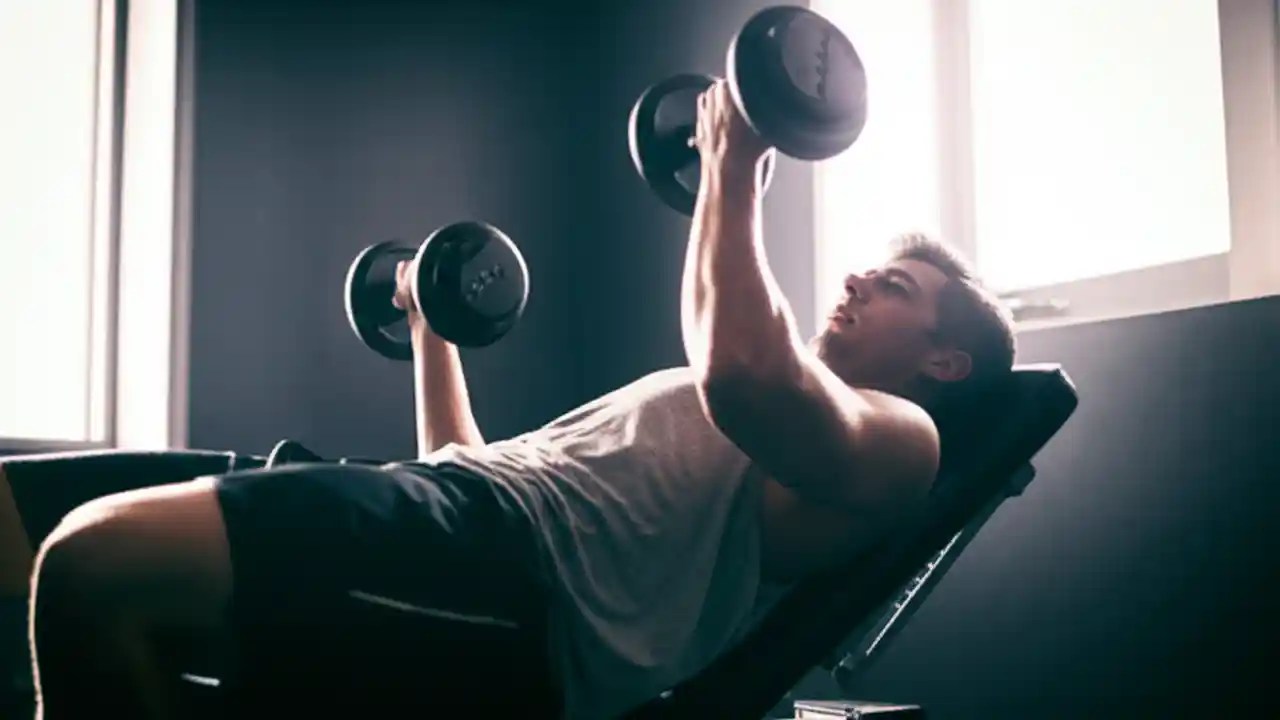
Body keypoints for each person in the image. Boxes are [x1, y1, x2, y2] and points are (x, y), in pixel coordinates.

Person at [25, 79, 1015, 720]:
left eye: (895, 289)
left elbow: (743, 375)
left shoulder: (902, 441)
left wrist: (733, 171)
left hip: (515, 594)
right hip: (465, 526)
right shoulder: (719, 404)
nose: (855, 281)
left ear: (943, 363)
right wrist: (430, 331)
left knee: (87, 566)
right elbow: (461, 468)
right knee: (26, 522)